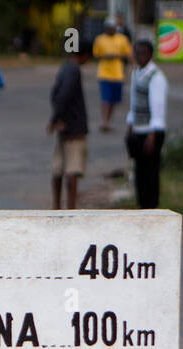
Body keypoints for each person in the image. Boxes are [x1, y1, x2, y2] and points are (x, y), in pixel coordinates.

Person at [125, 40, 168, 209]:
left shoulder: (156, 77)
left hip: (151, 132)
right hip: (138, 129)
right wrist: (130, 126)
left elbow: (158, 108)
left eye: (143, 53)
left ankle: (152, 206)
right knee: (140, 172)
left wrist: (152, 135)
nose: (139, 57)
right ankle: (142, 206)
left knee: (150, 173)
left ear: (150, 55)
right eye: (137, 53)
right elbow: (134, 103)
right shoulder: (136, 74)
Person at [48, 48, 90, 210]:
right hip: (75, 127)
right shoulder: (74, 71)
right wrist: (57, 118)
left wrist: (56, 118)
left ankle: (56, 206)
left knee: (58, 167)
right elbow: (64, 95)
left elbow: (55, 94)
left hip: (63, 125)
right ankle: (71, 208)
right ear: (84, 55)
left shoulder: (65, 67)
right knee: (73, 168)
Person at [92, 19, 131, 133]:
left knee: (114, 100)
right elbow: (96, 55)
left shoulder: (122, 39)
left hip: (118, 74)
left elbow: (127, 54)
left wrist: (117, 56)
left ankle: (109, 120)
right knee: (106, 99)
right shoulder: (100, 39)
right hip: (104, 74)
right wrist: (106, 56)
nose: (111, 30)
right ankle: (105, 122)